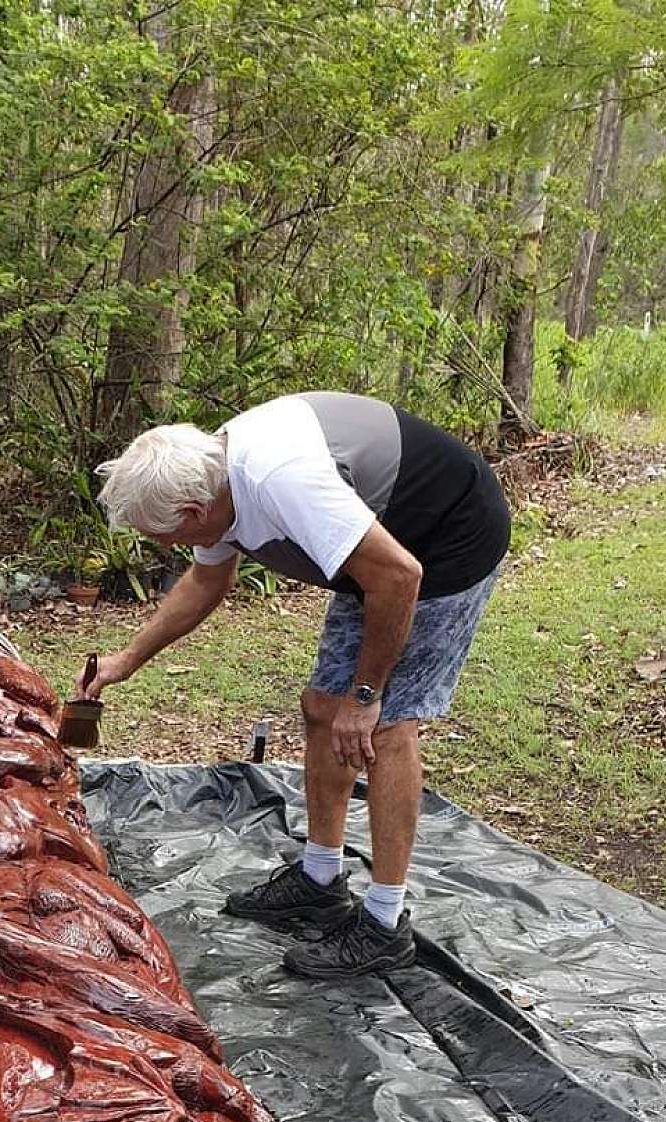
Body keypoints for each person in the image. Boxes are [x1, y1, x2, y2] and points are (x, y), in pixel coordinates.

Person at [86, 393, 510, 977]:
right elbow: (208, 582)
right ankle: (320, 878)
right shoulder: (212, 477)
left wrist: (365, 697)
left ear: (191, 512)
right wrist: (124, 661)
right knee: (320, 708)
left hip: (446, 538)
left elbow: (398, 575)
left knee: (385, 727)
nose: (159, 545)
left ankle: (385, 923)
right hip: (379, 549)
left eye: (159, 535)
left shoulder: (279, 481)